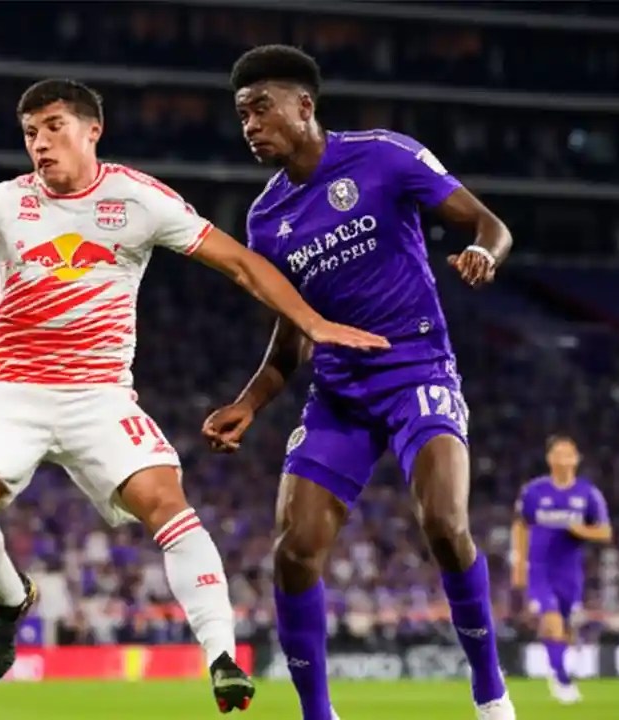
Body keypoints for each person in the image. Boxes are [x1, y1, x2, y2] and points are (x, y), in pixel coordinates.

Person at [0, 78, 388, 713]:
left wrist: (315, 323)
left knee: (166, 503)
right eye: (31, 133)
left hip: (100, 397)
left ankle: (222, 656)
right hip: (12, 392)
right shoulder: (6, 204)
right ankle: (11, 598)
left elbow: (242, 265)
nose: (40, 143)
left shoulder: (137, 200)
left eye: (54, 127)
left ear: (93, 130)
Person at [203, 45, 517, 719]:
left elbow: (490, 224)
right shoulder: (266, 220)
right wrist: (249, 403)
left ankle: (490, 692)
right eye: (241, 115)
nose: (250, 125)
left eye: (260, 108)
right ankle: (319, 715)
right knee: (294, 552)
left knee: (443, 522)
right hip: (339, 394)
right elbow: (291, 335)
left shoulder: (383, 156)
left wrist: (484, 255)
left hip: (416, 371)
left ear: (303, 106)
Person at [511, 435, 612, 704]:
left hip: (570, 573)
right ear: (549, 459)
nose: (563, 458)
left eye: (569, 453)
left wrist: (583, 530)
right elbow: (520, 526)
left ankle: (557, 667)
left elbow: (605, 532)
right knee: (551, 622)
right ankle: (563, 681)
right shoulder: (535, 491)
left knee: (564, 628)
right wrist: (518, 563)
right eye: (558, 453)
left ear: (577, 459)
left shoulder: (588, 493)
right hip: (539, 570)